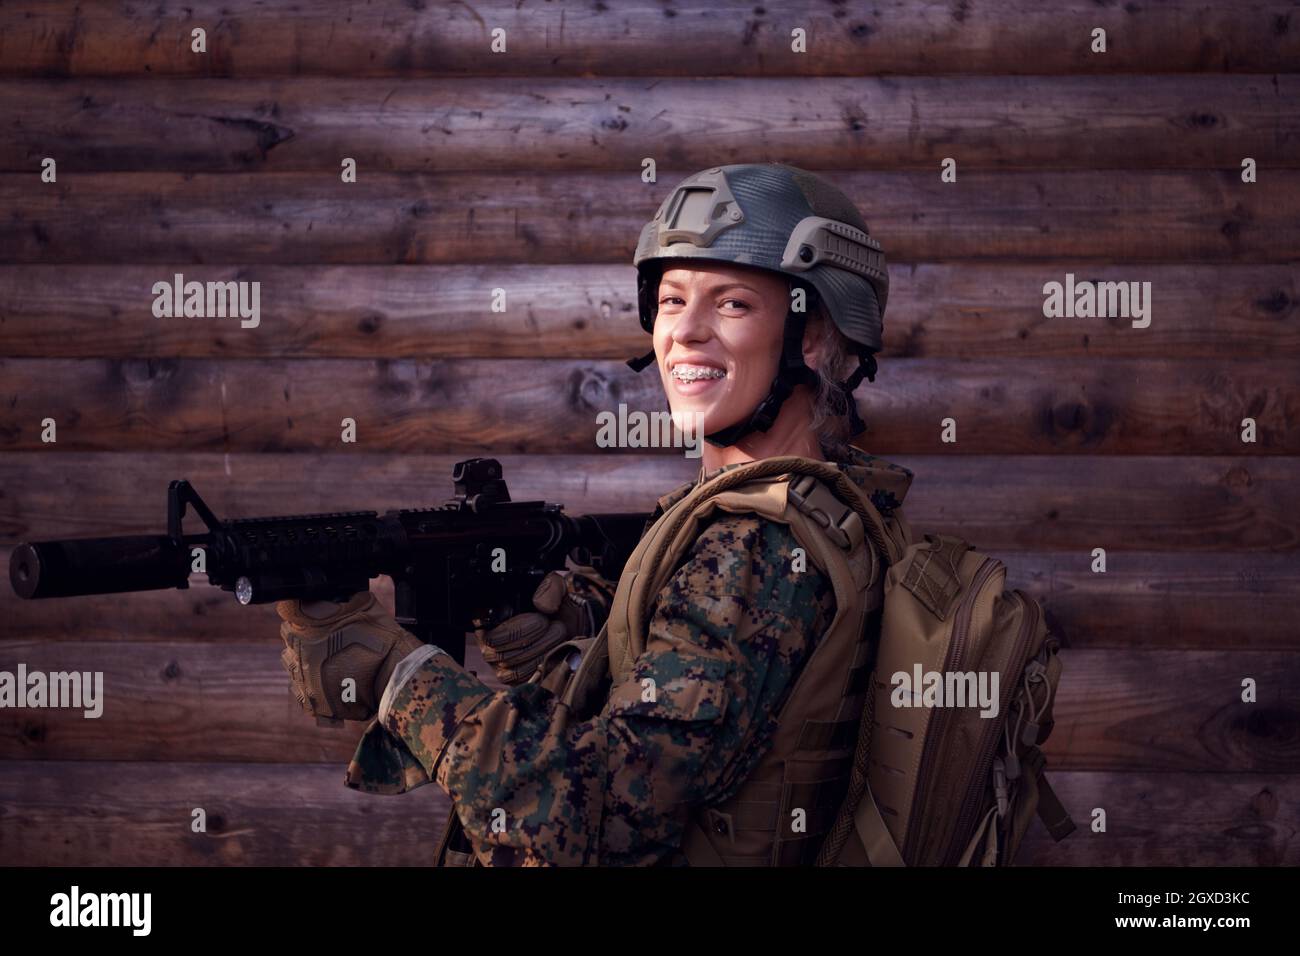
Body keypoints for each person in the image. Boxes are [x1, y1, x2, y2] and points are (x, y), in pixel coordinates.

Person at [276, 163, 915, 866]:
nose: (686, 333)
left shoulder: (754, 549)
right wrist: (585, 640)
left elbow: (596, 817)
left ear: (818, 335)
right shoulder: (843, 503)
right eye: (671, 301)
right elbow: (744, 722)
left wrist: (400, 676)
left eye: (732, 304)